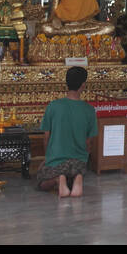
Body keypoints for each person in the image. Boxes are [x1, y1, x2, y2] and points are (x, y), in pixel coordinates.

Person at [37, 66, 98, 197]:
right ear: (83, 85)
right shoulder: (89, 110)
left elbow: (46, 137)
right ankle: (78, 178)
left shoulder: (53, 106)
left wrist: (48, 158)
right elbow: (89, 143)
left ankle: (59, 179)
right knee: (76, 168)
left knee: (41, 180)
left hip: (56, 160)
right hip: (79, 161)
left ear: (66, 83)